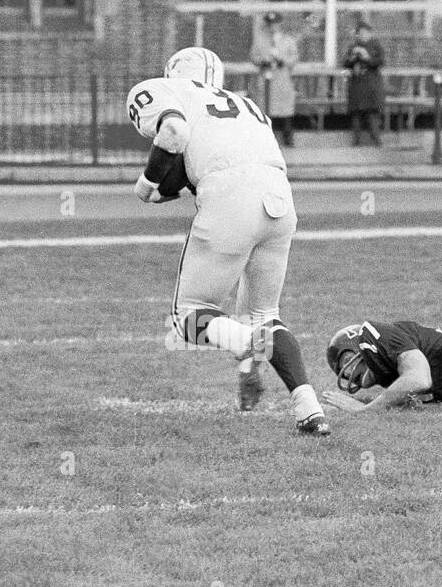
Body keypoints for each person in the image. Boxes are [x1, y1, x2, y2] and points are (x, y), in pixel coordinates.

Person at [124, 47, 330, 436]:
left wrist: (146, 184)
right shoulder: (245, 104)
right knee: (266, 314)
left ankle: (247, 344)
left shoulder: (168, 93)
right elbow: (195, 170)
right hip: (279, 198)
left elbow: (173, 133)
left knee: (188, 319)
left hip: (229, 196)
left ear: (173, 74)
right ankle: (310, 409)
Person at [250, 12, 300, 147]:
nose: (273, 27)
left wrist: (282, 59)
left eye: (276, 24)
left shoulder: (288, 40)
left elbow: (294, 58)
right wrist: (263, 61)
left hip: (282, 79)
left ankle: (288, 139)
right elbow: (254, 57)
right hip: (266, 79)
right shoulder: (260, 40)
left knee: (285, 111)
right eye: (270, 24)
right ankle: (265, 141)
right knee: (266, 109)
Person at [342, 20, 386, 145]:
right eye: (360, 33)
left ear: (370, 33)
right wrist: (352, 58)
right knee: (356, 115)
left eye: (365, 33)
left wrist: (367, 57)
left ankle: (376, 140)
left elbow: (380, 62)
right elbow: (345, 63)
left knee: (372, 114)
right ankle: (356, 142)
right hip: (357, 86)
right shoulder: (353, 47)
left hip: (372, 86)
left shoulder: (376, 46)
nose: (362, 35)